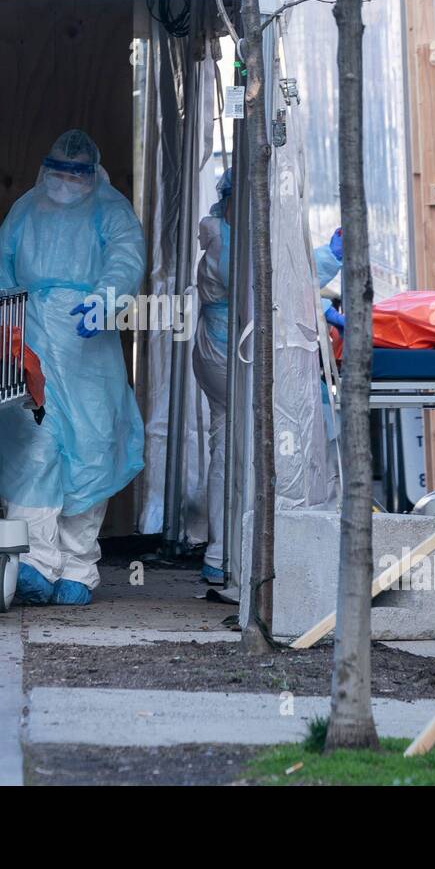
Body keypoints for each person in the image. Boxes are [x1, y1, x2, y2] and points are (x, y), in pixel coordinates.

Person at [0, 130, 146, 605]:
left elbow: (125, 258)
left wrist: (106, 299)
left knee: (91, 451)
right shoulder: (25, 210)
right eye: (58, 169)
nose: (65, 179)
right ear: (44, 166)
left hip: (86, 351)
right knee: (32, 449)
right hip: (30, 341)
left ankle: (77, 566)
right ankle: (34, 562)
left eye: (76, 172)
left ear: (92, 174)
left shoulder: (111, 210)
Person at [191, 168, 234, 584]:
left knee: (224, 445)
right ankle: (226, 550)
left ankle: (221, 550)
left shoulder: (219, 231)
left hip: (215, 349)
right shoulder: (226, 237)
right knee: (236, 448)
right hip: (226, 353)